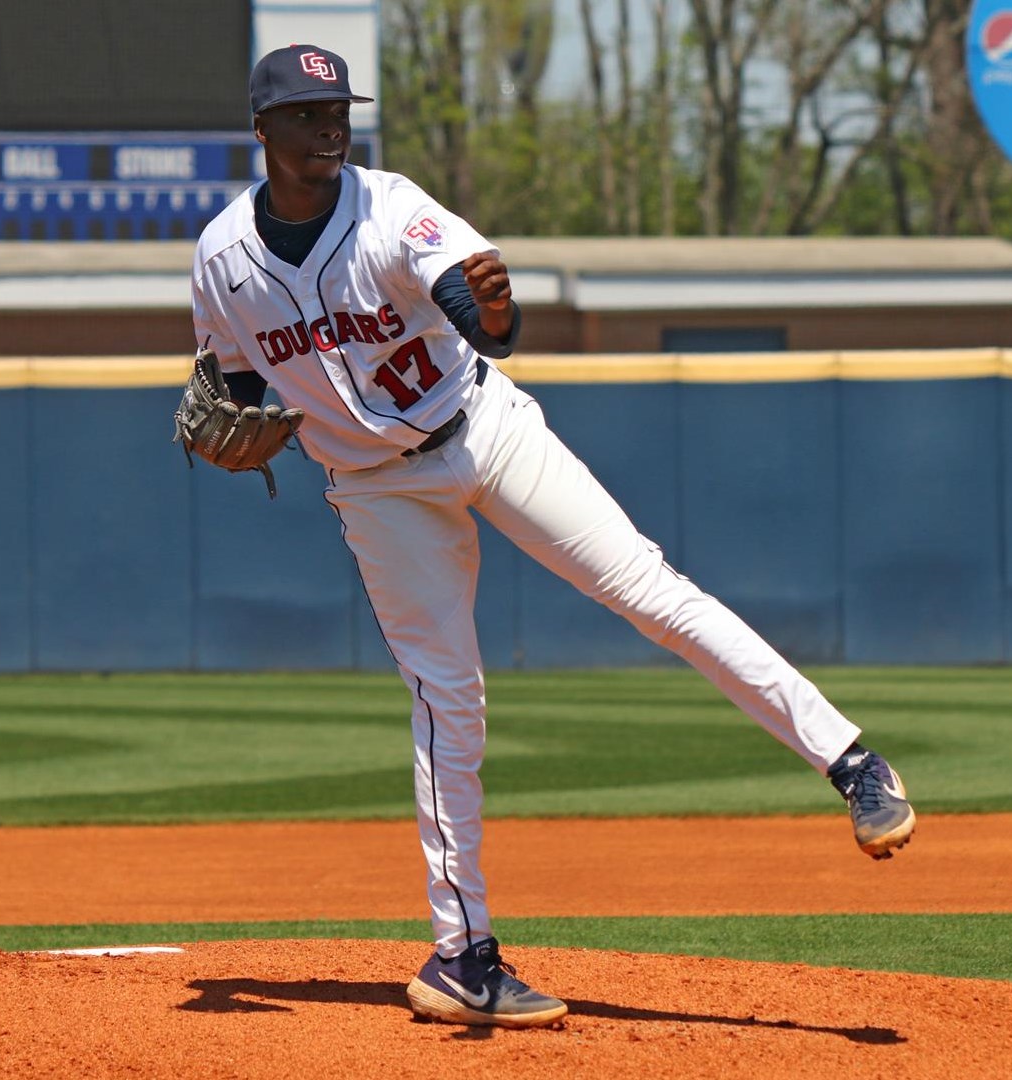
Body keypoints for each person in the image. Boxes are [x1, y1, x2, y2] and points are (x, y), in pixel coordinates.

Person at [188, 44, 915, 1030]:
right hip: (372, 491)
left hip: (483, 427)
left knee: (647, 591)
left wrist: (489, 312)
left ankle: (850, 761)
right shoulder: (221, 257)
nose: (330, 129)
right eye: (308, 114)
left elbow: (480, 310)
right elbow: (229, 384)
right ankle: (462, 957)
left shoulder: (390, 207)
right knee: (448, 702)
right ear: (263, 129)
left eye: (338, 112)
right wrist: (235, 422)